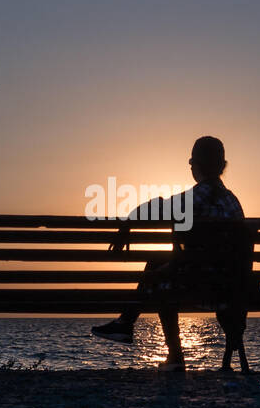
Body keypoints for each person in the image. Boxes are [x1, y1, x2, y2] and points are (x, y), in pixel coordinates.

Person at [90, 136, 244, 372]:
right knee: (162, 263)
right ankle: (127, 322)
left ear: (197, 165)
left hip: (198, 286)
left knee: (161, 276)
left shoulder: (194, 198)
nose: (191, 167)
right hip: (232, 288)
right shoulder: (234, 202)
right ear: (222, 166)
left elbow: (156, 207)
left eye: (192, 162)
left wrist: (127, 225)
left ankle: (165, 349)